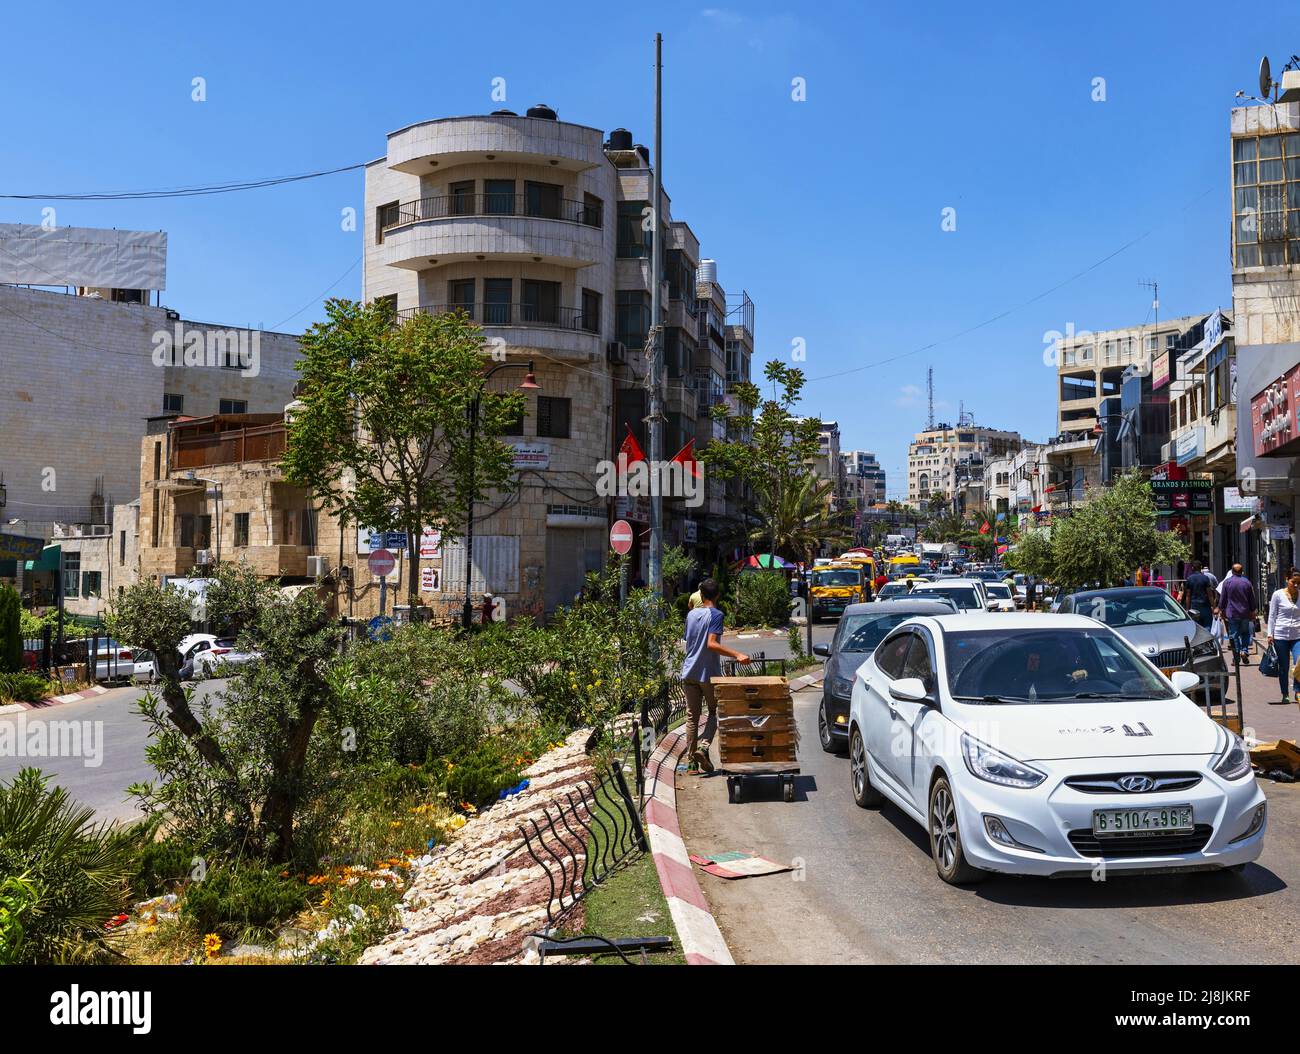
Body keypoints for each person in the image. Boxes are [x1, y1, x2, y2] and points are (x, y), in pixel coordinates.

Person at [678, 578, 749, 772]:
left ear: (700, 595)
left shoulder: (691, 615)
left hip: (688, 671)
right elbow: (711, 644)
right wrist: (737, 654)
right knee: (713, 711)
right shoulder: (716, 615)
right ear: (717, 595)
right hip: (708, 674)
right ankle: (704, 746)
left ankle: (692, 763)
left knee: (692, 717)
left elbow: (689, 640)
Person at [1266, 569, 1300, 704]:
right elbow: (1272, 615)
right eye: (1294, 582)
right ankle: (1285, 693)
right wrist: (1270, 634)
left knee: (1299, 663)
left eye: (1298, 583)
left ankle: (1297, 691)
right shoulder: (1278, 595)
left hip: (1297, 635)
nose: (1296, 585)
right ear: (1287, 580)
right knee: (1284, 666)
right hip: (1280, 635)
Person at [1218, 564, 1257, 665]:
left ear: (1232, 571)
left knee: (1234, 635)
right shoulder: (1247, 582)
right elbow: (1251, 599)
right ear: (1242, 571)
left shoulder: (1227, 582)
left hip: (1232, 613)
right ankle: (1244, 651)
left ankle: (1236, 657)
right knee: (1245, 633)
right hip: (1245, 613)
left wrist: (1221, 609)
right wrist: (1253, 611)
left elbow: (1223, 598)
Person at [1180, 561, 1217, 630]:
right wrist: (1213, 607)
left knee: (1196, 627)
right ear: (1201, 568)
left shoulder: (1189, 579)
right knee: (1207, 625)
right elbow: (1210, 595)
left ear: (1192, 568)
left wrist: (1187, 609)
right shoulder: (1205, 578)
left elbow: (1188, 595)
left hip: (1194, 606)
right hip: (1205, 606)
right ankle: (1207, 640)